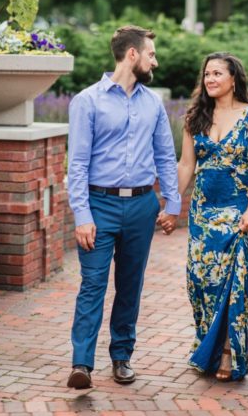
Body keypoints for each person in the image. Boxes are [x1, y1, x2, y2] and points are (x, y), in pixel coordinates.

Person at [66, 25, 181, 389]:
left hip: (142, 206)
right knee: (93, 284)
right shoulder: (87, 101)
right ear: (132, 55)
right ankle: (82, 364)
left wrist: (172, 202)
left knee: (130, 286)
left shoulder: (153, 104)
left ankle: (122, 357)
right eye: (151, 54)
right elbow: (77, 164)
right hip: (99, 205)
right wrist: (82, 215)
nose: (155, 62)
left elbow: (165, 155)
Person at [177, 52, 248, 381]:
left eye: (217, 73)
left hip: (238, 213)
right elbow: (186, 165)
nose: (210, 79)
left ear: (233, 79)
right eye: (207, 74)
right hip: (202, 214)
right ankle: (207, 344)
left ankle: (227, 352)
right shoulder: (194, 118)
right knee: (200, 282)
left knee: (234, 286)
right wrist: (171, 204)